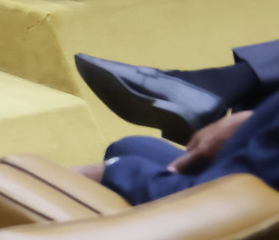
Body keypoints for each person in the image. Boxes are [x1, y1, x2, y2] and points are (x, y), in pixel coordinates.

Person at [72, 44, 279, 206]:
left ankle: (208, 88)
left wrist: (111, 172)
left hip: (229, 212)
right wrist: (254, 119)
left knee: (123, 160)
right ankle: (210, 87)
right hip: (253, 172)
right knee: (130, 147)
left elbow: (221, 204)